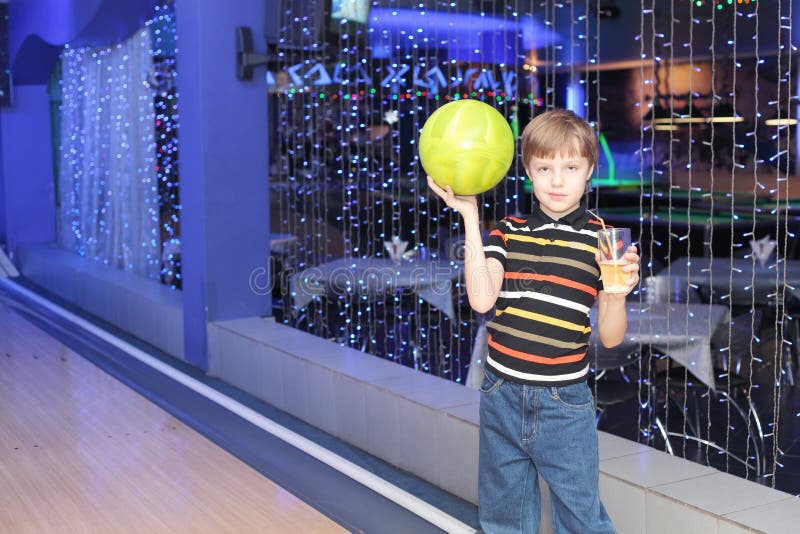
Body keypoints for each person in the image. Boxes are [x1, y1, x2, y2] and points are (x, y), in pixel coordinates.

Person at [428, 108, 639, 533]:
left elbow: (612, 339)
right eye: (544, 167)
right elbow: (482, 299)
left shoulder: (603, 241)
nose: (557, 180)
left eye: (570, 167)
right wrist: (471, 217)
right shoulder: (507, 231)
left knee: (581, 518)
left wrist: (615, 295)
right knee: (503, 517)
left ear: (589, 170)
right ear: (527, 170)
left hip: (564, 402)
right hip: (501, 392)